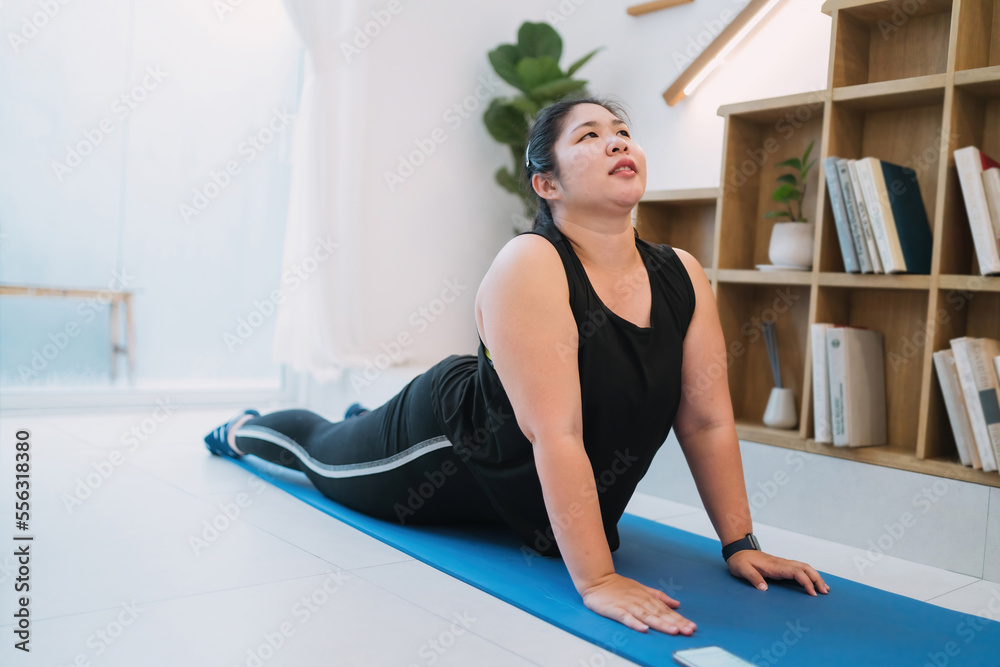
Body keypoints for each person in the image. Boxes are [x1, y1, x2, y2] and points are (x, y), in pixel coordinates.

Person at [204, 94, 829, 637]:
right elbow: (554, 433)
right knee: (320, 452)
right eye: (588, 136)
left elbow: (707, 421)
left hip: (531, 480)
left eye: (621, 132)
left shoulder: (683, 274)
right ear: (547, 184)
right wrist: (598, 581)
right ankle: (242, 429)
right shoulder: (531, 263)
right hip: (444, 448)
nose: (615, 140)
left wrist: (741, 545)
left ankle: (361, 414)